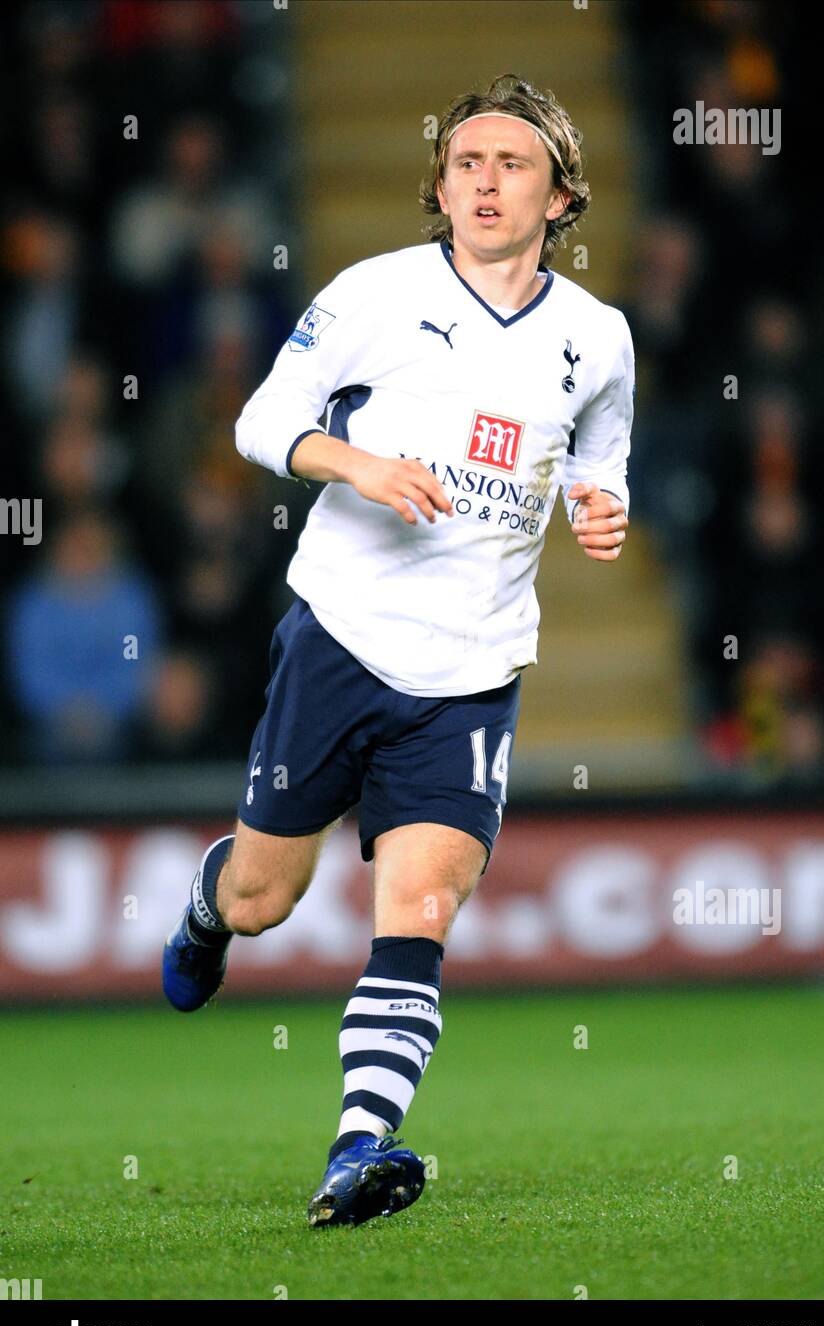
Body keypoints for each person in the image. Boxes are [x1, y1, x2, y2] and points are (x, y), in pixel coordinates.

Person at [162, 73, 635, 1229]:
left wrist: (598, 501)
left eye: (512, 163)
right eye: (466, 161)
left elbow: (598, 455)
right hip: (342, 636)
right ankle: (209, 908)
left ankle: (358, 1149)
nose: (485, 179)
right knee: (266, 897)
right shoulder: (376, 293)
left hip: (472, 674)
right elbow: (260, 420)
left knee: (419, 905)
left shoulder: (599, 338)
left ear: (560, 197)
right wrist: (358, 464)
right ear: (440, 186)